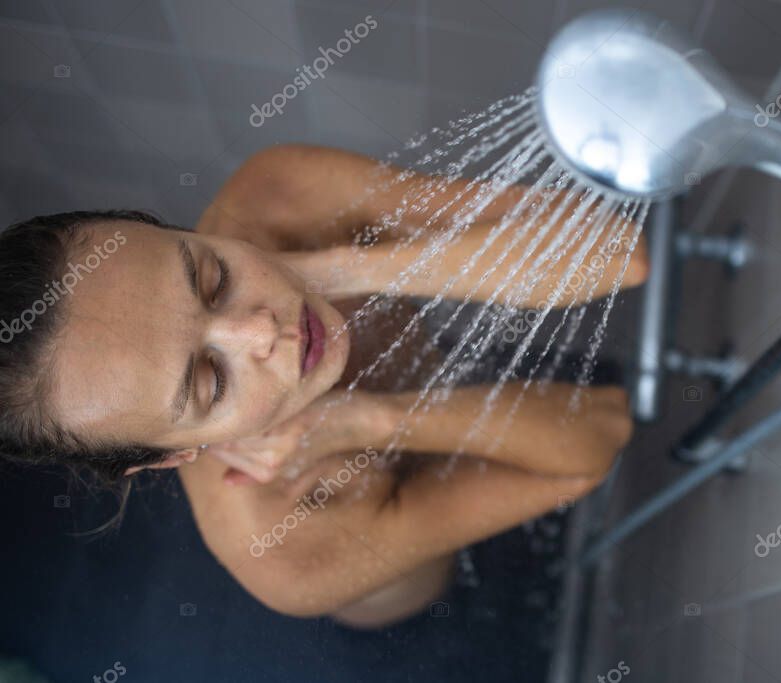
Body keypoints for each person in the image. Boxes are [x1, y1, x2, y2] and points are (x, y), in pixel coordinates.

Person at [0, 144, 648, 628]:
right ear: (170, 456)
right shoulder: (285, 551)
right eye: (209, 378)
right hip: (398, 588)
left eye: (211, 278)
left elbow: (620, 249)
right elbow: (605, 429)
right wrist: (374, 424)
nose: (262, 329)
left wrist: (345, 265)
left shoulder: (272, 204)